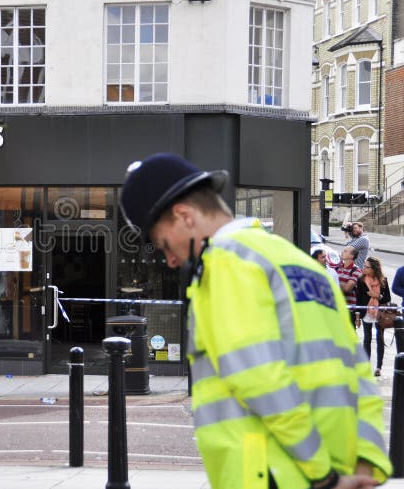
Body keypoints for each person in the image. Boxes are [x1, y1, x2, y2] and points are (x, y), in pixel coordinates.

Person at [120, 153, 390, 489]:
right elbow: (357, 370)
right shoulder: (301, 263)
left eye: (164, 244)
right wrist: (366, 462)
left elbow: (260, 379)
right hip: (344, 470)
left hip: (272, 474)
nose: (171, 260)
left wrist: (322, 475)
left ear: (184, 216)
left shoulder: (223, 264)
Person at [355, 257, 391, 377]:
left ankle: (379, 367)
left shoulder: (383, 280)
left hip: (379, 313)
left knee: (380, 339)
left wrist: (377, 296)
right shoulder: (361, 280)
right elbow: (358, 299)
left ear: (373, 268)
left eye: (367, 267)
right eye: (364, 266)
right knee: (367, 339)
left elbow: (388, 298)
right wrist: (357, 316)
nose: (364, 268)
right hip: (366, 313)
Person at [336, 247, 363, 328]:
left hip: (349, 309)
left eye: (345, 251)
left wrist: (335, 282)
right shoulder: (337, 268)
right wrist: (343, 284)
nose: (342, 252)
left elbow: (347, 288)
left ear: (351, 256)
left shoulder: (356, 271)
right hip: (337, 307)